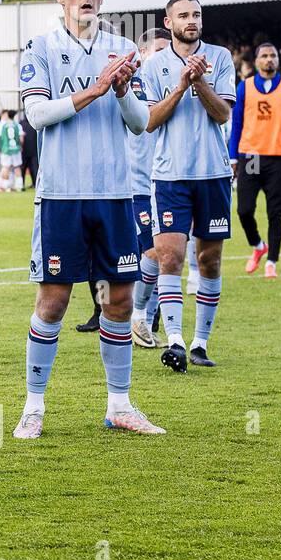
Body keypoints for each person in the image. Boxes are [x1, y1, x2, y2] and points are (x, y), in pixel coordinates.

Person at [12, 0, 163, 440]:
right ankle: (33, 407)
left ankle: (119, 405)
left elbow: (140, 122)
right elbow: (36, 115)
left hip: (116, 195)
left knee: (119, 300)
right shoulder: (39, 47)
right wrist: (94, 90)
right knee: (53, 301)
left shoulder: (121, 48)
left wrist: (119, 90)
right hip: (61, 196)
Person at [139, 0, 236, 372]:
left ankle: (200, 343)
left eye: (196, 14)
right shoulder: (153, 67)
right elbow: (149, 120)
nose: (191, 20)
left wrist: (200, 83)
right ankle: (175, 340)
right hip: (169, 176)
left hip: (212, 173)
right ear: (169, 23)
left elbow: (223, 114)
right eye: (184, 15)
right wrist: (181, 85)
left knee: (208, 260)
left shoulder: (221, 57)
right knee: (170, 257)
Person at [229, 42, 281, 279]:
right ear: (257, 61)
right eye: (264, 56)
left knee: (275, 213)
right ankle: (259, 246)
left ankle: (271, 262)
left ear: (278, 61)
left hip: (278, 158)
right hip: (250, 156)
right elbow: (236, 123)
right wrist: (233, 157)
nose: (269, 59)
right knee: (244, 210)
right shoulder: (245, 87)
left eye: (273, 56)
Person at [122, 27, 171, 347]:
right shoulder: (131, 86)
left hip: (168, 181)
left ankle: (146, 322)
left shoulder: (173, 87)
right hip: (136, 183)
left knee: (165, 255)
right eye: (158, 50)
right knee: (152, 251)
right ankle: (137, 316)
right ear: (142, 53)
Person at [0, 109, 23, 192]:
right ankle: (19, 186)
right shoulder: (17, 125)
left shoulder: (2, 125)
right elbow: (21, 139)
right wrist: (20, 147)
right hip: (16, 149)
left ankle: (4, 186)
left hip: (6, 149)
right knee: (17, 167)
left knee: (5, 167)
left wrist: (0, 149)